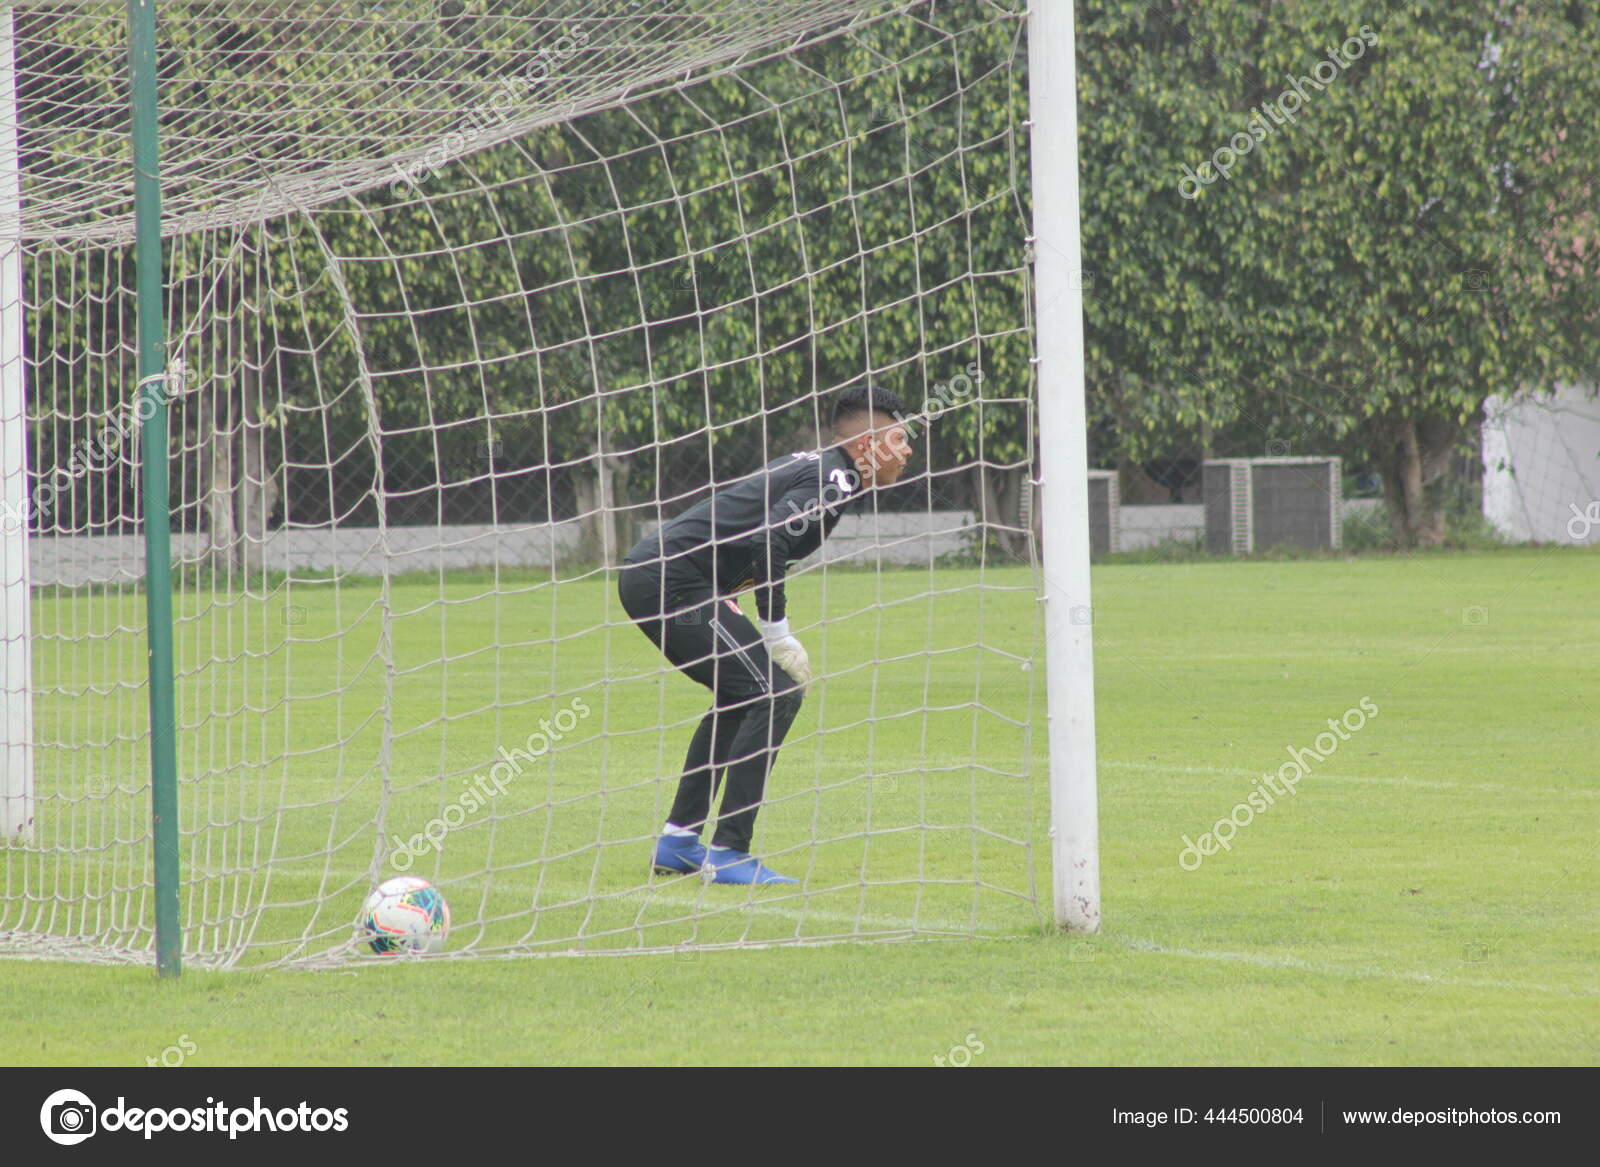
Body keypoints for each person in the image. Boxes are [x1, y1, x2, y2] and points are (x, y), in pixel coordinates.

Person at [617, 382, 913, 884]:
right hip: (673, 582)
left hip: (670, 578)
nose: (908, 452)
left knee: (742, 695)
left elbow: (747, 532)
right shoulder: (836, 477)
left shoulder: (824, 469)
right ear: (869, 445)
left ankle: (679, 842)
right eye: (901, 439)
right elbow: (769, 539)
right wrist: (776, 631)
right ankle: (729, 853)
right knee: (776, 694)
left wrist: (725, 591)